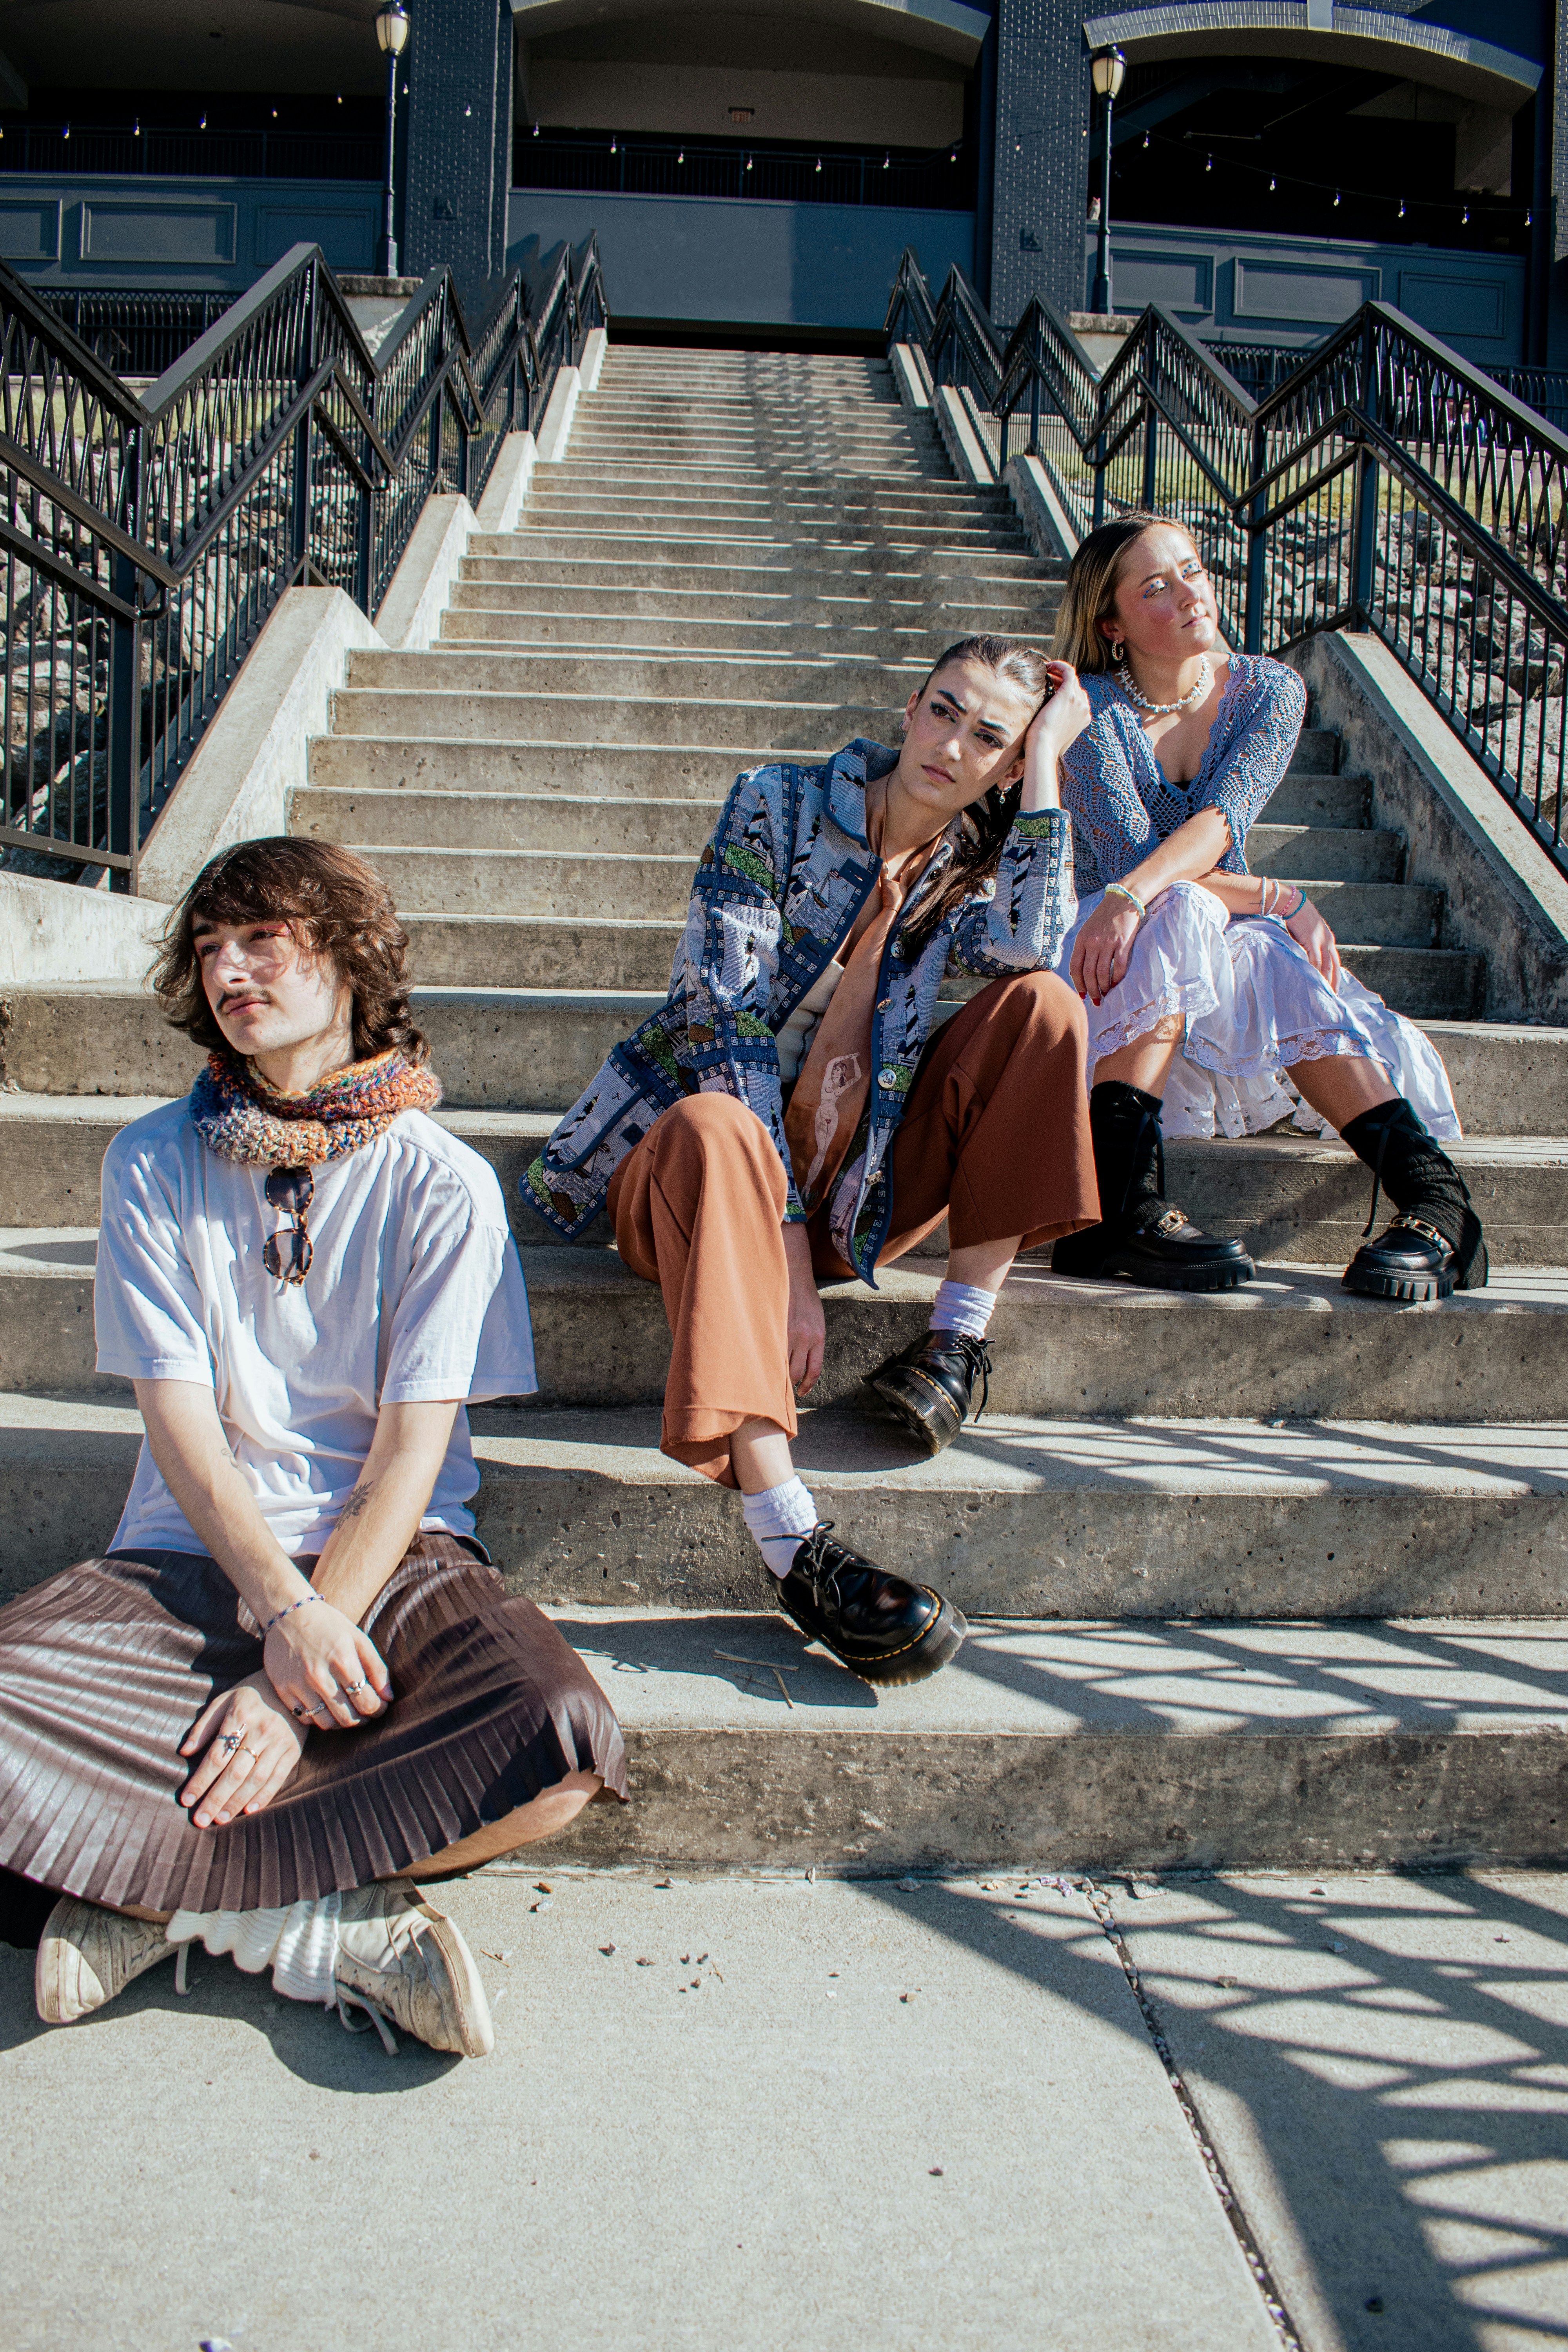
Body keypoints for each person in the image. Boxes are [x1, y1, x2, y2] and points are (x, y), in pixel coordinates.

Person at [0, 839, 625, 2057]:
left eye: (263, 939)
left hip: (391, 1565)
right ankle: (309, 1928)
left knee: (558, 1750)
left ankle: (160, 1897)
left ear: (345, 953)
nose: (229, 970)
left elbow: (407, 1453)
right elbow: (180, 1425)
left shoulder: (442, 1182)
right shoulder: (152, 1159)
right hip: (194, 1552)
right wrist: (282, 1618)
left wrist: (296, 1681)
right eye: (209, 950)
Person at [525, 637, 1099, 1679]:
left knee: (1047, 1012)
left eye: (989, 736)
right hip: (703, 1186)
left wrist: (1053, 759)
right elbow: (722, 1020)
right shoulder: (779, 806)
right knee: (721, 1125)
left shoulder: (969, 874)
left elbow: (1035, 952)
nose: (950, 744)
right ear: (912, 704)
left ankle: (959, 1340)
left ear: (1007, 766)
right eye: (942, 710)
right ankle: (791, 1537)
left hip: (857, 1185)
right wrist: (788, 1254)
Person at [1049, 512, 1485, 1303]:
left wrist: (1255, 905)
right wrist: (1280, 897)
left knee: (1250, 947)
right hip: (1111, 972)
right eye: (1155, 586)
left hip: (1222, 972)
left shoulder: (1266, 691)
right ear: (1109, 624)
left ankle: (1436, 1202)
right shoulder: (1089, 710)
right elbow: (1130, 877)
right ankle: (1119, 1200)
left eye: (1191, 569)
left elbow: (1219, 825)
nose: (1189, 593)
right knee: (1191, 915)